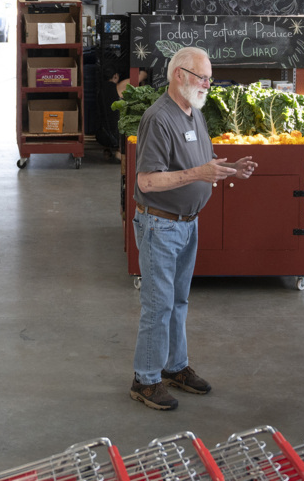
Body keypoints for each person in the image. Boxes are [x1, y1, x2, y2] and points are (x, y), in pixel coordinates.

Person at [129, 46, 257, 411]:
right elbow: (148, 182)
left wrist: (229, 167)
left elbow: (202, 163)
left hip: (186, 225)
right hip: (161, 225)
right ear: (179, 75)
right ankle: (146, 379)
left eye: (209, 78)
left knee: (178, 301)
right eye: (202, 77)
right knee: (158, 304)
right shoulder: (159, 119)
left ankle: (174, 366)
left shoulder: (193, 113)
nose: (207, 84)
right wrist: (201, 174)